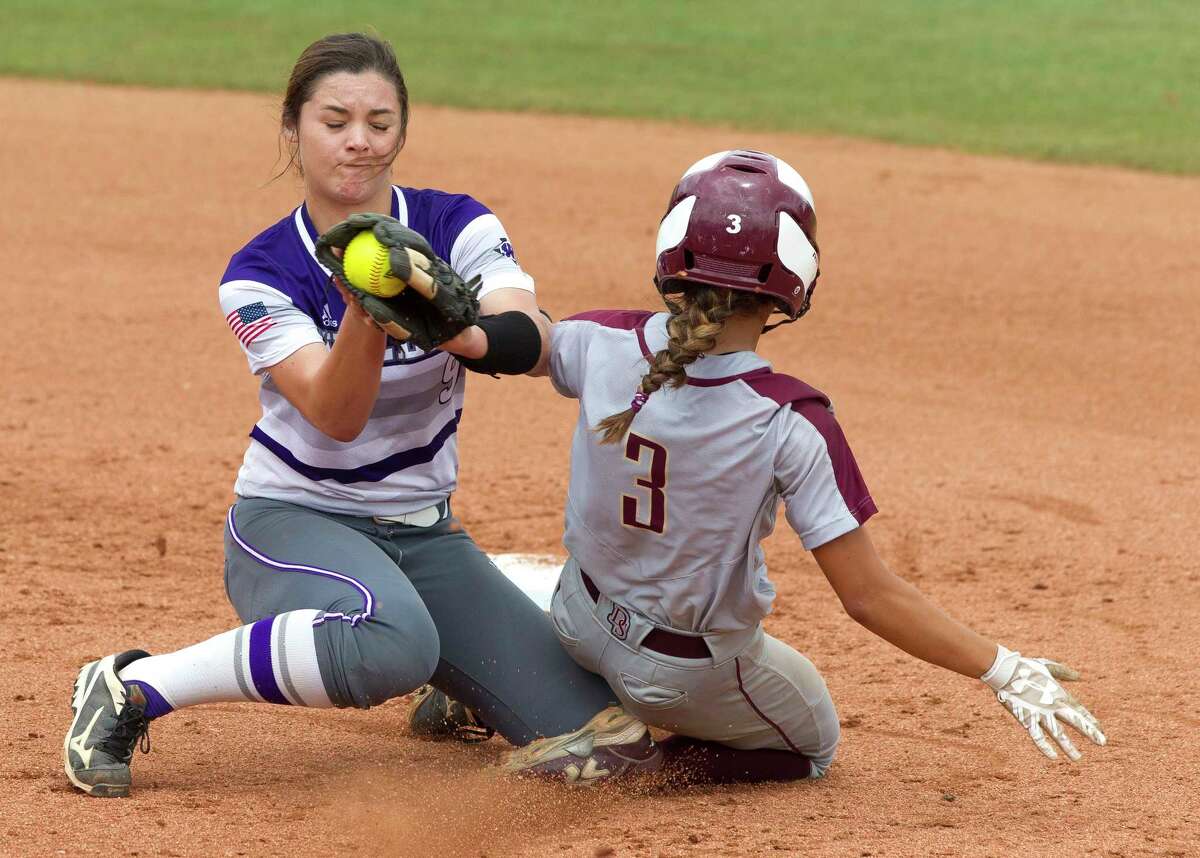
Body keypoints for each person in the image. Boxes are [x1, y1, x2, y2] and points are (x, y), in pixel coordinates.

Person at [62, 32, 660, 798]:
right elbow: (334, 416)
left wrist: (459, 328)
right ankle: (133, 686)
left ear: (403, 132)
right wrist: (366, 314)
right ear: (293, 130)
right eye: (335, 120)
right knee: (389, 643)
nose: (359, 141)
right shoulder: (261, 274)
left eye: (380, 123)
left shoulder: (455, 224)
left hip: (423, 534)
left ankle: (457, 681)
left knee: (605, 740)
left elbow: (531, 335)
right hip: (292, 524)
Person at [489, 149, 1107, 783]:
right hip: (675, 677)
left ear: (673, 250)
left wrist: (445, 306)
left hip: (577, 618)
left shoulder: (601, 338)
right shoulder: (790, 418)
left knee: (565, 612)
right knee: (812, 740)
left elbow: (514, 343)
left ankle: (510, 693)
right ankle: (635, 762)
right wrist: (1002, 667)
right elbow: (867, 596)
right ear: (795, 274)